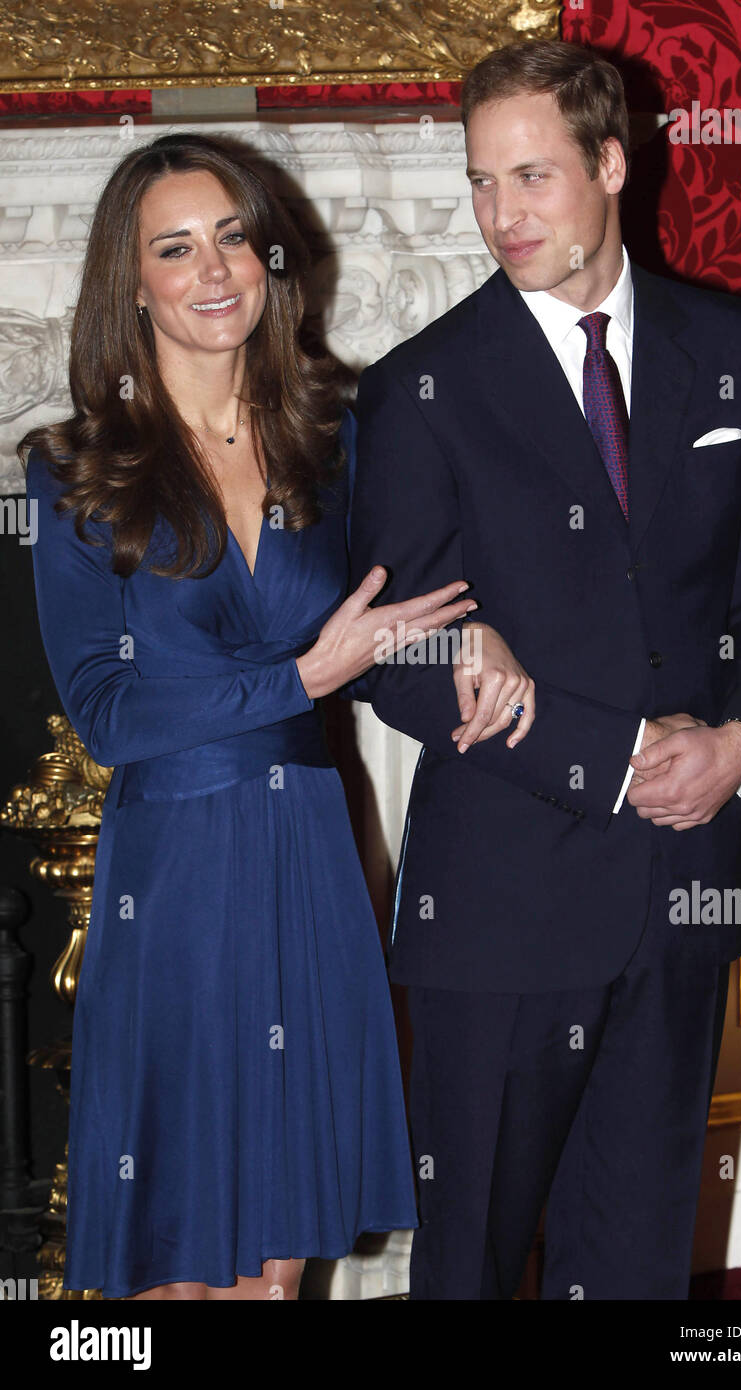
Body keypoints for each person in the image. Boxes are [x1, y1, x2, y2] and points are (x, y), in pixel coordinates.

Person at [347, 39, 741, 1299]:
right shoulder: (418, 390)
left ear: (612, 163)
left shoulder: (737, 349)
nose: (503, 215)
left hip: (679, 895)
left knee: (635, 1272)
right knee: (472, 1276)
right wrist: (595, 747)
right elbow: (389, 651)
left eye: (533, 177)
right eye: (481, 182)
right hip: (497, 916)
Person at [21, 132, 482, 1301]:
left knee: (276, 1270)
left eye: (233, 235)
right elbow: (110, 716)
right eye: (176, 247)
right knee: (179, 1260)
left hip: (307, 860)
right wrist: (300, 678)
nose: (215, 268)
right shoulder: (76, 469)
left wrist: (475, 639)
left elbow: (388, 630)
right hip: (169, 876)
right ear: (131, 284)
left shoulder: (333, 436)